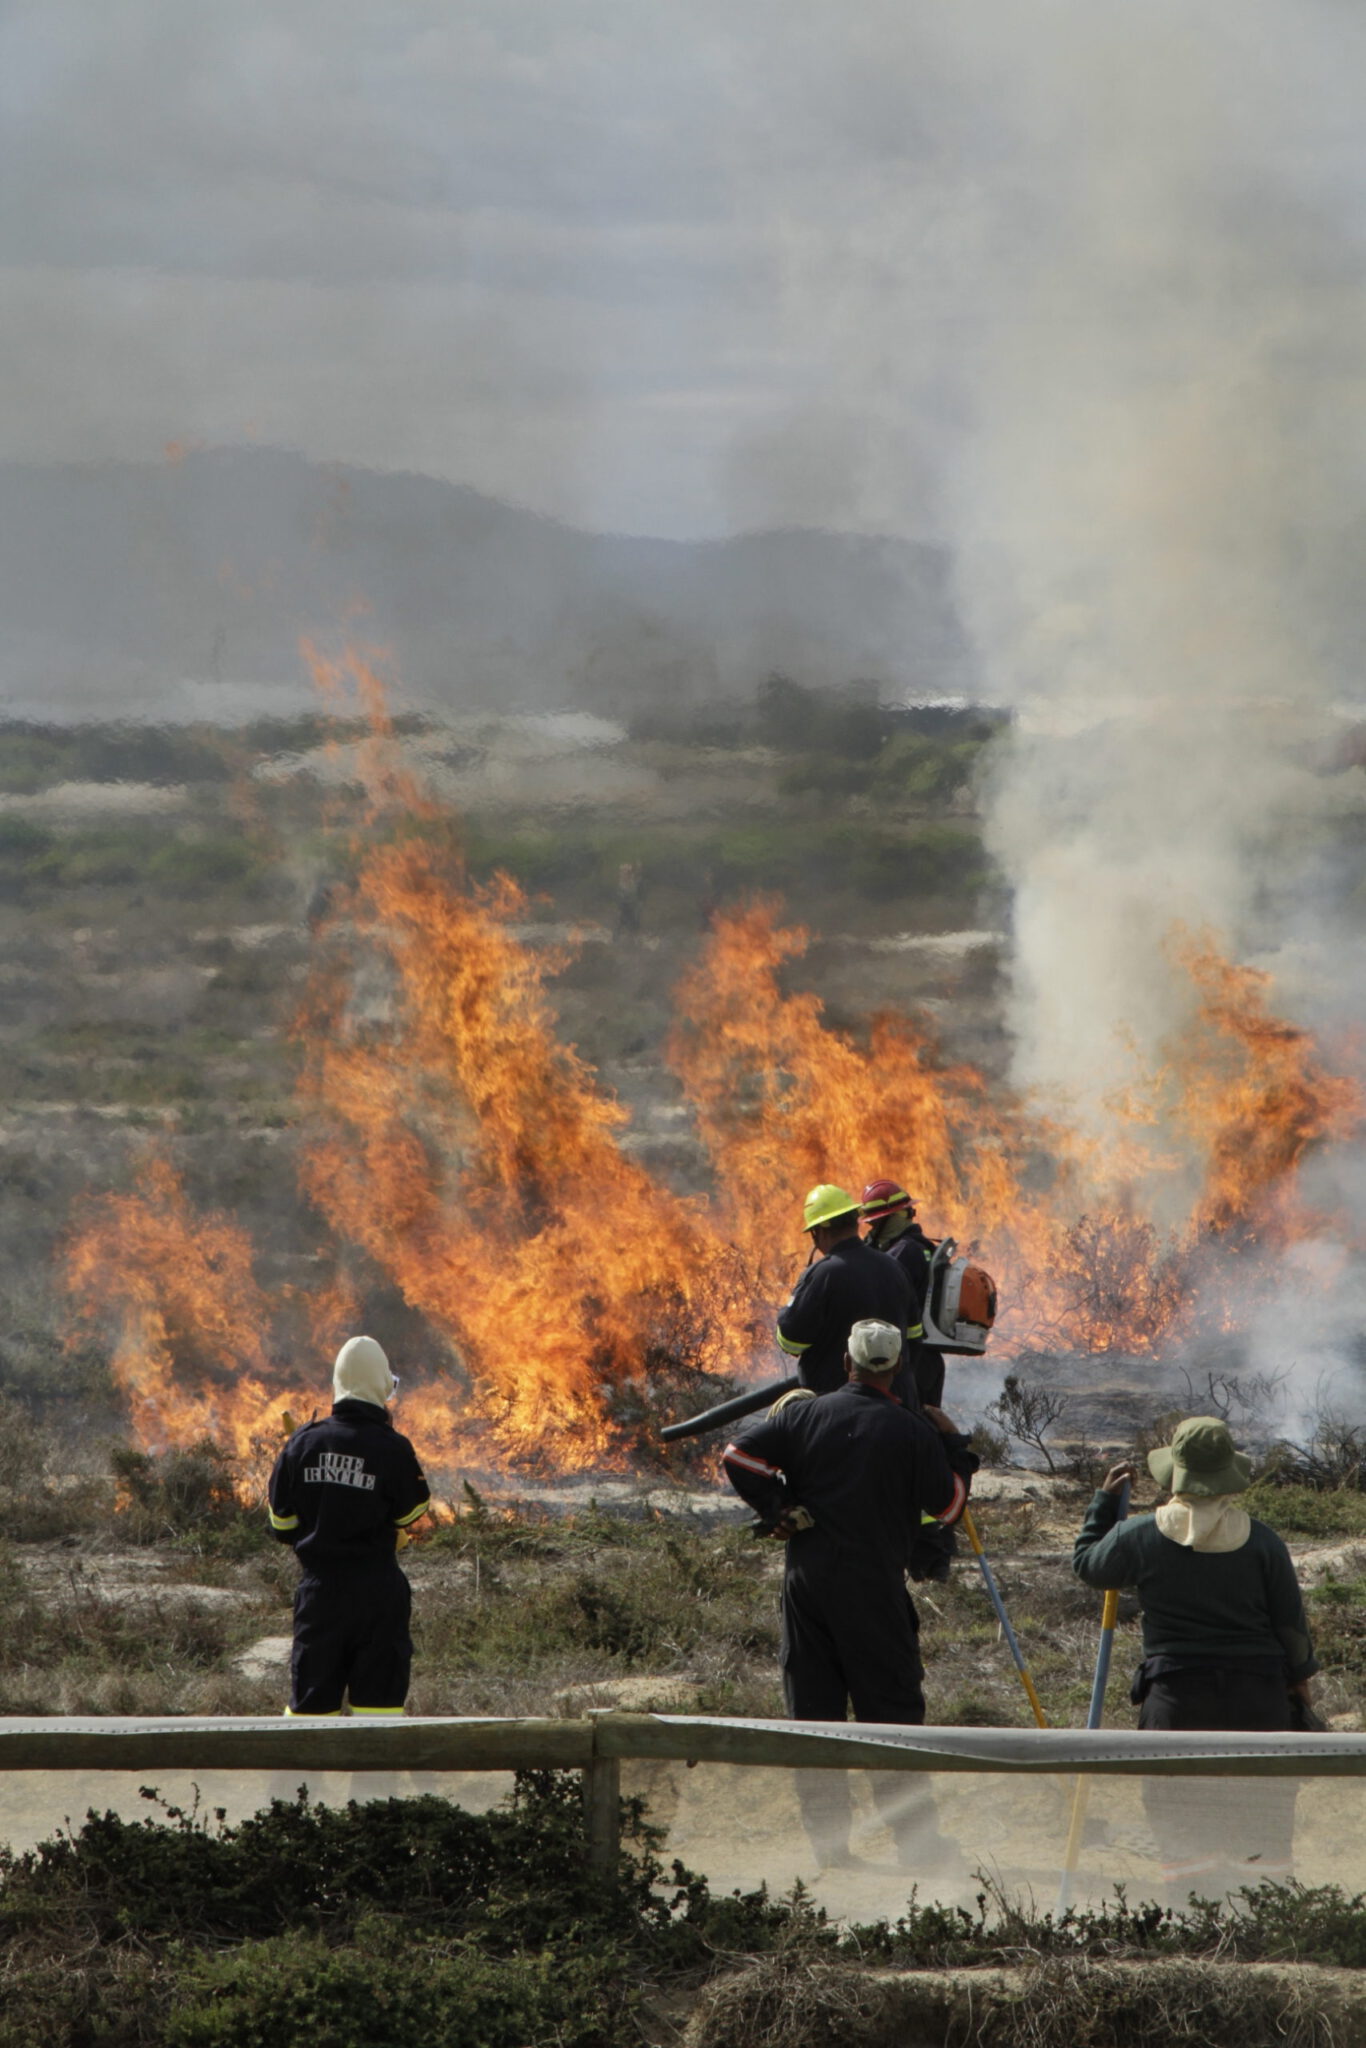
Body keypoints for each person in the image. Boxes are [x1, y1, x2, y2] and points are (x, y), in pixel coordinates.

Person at [722, 1318, 978, 1869]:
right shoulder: (911, 1432)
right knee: (891, 1717)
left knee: (814, 1716)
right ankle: (916, 1846)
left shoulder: (805, 1414)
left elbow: (738, 1457)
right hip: (873, 1593)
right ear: (899, 1369)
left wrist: (778, 1508)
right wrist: (956, 1447)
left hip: (808, 1589)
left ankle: (831, 1851)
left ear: (846, 1364)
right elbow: (948, 1508)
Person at [1074, 1416, 1319, 1894]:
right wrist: (1301, 1701)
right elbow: (1292, 1632)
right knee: (1262, 1831)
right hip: (1259, 1703)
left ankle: (1193, 1929)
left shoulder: (1139, 1536)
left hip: (1176, 1703)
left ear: (1175, 1475)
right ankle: (1265, 1937)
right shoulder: (1265, 1543)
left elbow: (1088, 1566)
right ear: (1229, 1474)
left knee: (1181, 1829)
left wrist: (1104, 1505)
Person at [268, 1335, 431, 1717]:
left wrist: (323, 1522)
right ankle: (374, 1776)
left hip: (320, 1595)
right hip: (378, 1594)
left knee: (309, 1714)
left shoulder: (302, 1444)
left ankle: (306, 1779)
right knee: (379, 1716)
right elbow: (410, 1513)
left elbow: (281, 1524)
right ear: (381, 1385)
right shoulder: (392, 1447)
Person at [777, 1185, 914, 1400]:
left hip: (837, 1404)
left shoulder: (822, 1274)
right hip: (896, 1404)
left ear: (819, 1231)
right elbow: (913, 1333)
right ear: (854, 1222)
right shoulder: (895, 1267)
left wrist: (786, 1310)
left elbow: (791, 1342)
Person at [859, 1180, 942, 1405]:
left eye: (875, 1223)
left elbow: (877, 1300)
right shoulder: (917, 1247)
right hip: (922, 1358)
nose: (872, 1229)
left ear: (894, 1217)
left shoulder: (904, 1253)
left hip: (908, 1360)